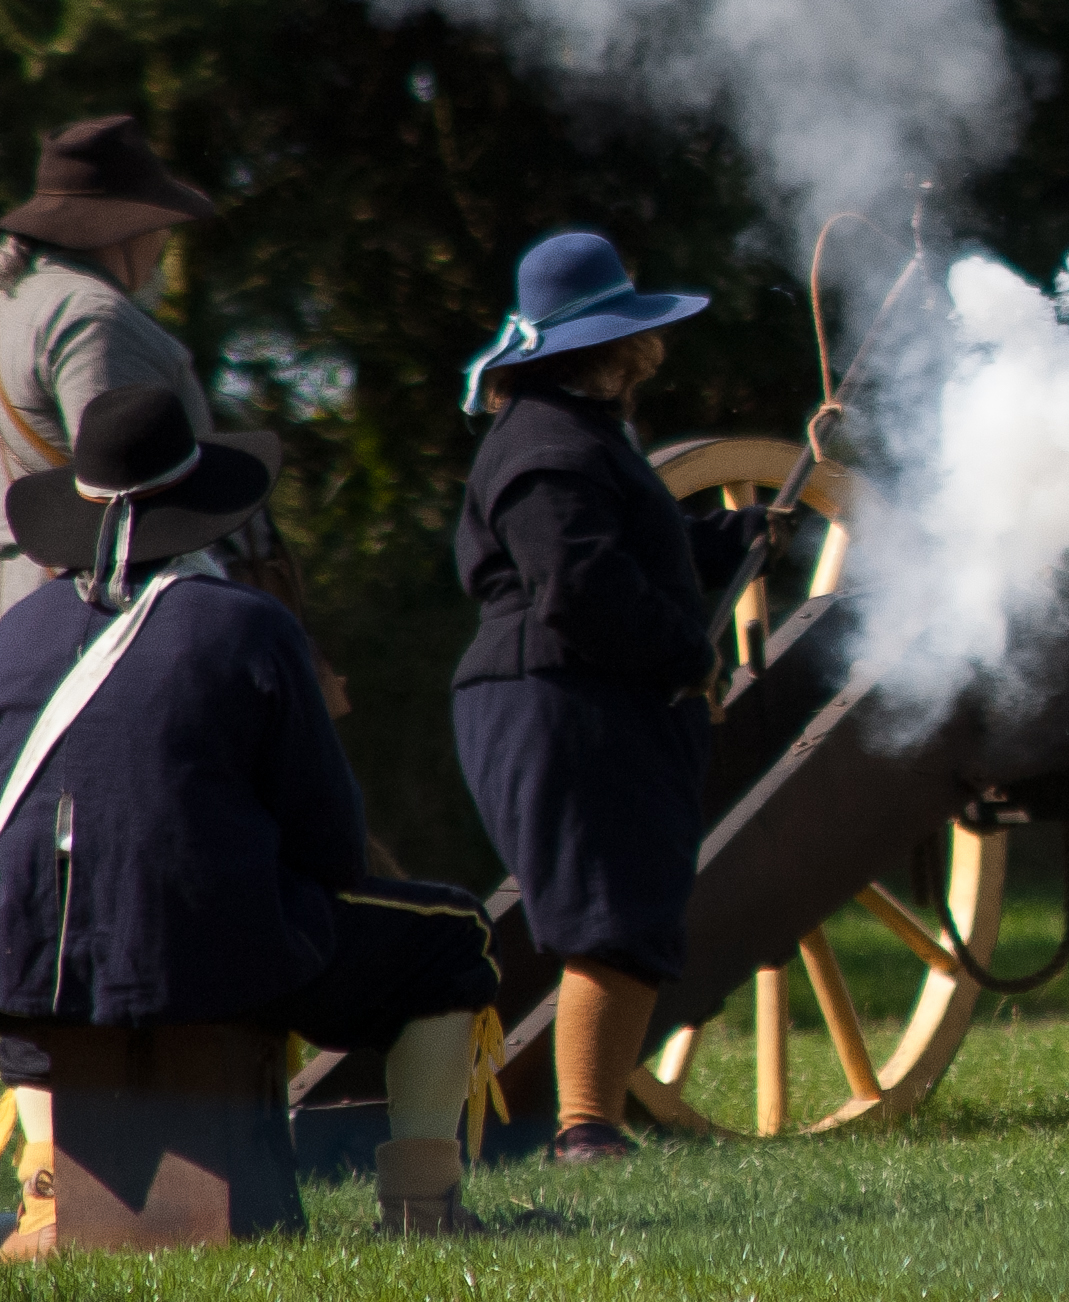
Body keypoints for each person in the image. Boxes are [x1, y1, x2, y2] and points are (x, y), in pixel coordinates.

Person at [0, 386, 502, 1252]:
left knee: (33, 974)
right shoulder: (248, 625)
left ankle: (49, 1198)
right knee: (451, 938)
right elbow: (330, 838)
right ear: (201, 508)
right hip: (204, 951)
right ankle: (424, 1208)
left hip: (19, 971)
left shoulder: (15, 632)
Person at [452, 231, 763, 1162]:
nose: (647, 355)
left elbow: (641, 544)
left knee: (623, 911)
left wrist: (739, 539)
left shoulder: (574, 435)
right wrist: (686, 656)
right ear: (613, 349)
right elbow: (579, 585)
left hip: (575, 697)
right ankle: (586, 1131)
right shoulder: (549, 446)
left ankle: (592, 1126)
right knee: (609, 916)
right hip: (562, 702)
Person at [0, 115, 218, 615]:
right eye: (158, 223)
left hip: (29, 607)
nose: (164, 241)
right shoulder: (94, 318)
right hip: (97, 616)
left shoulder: (16, 303)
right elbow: (131, 506)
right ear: (124, 229)